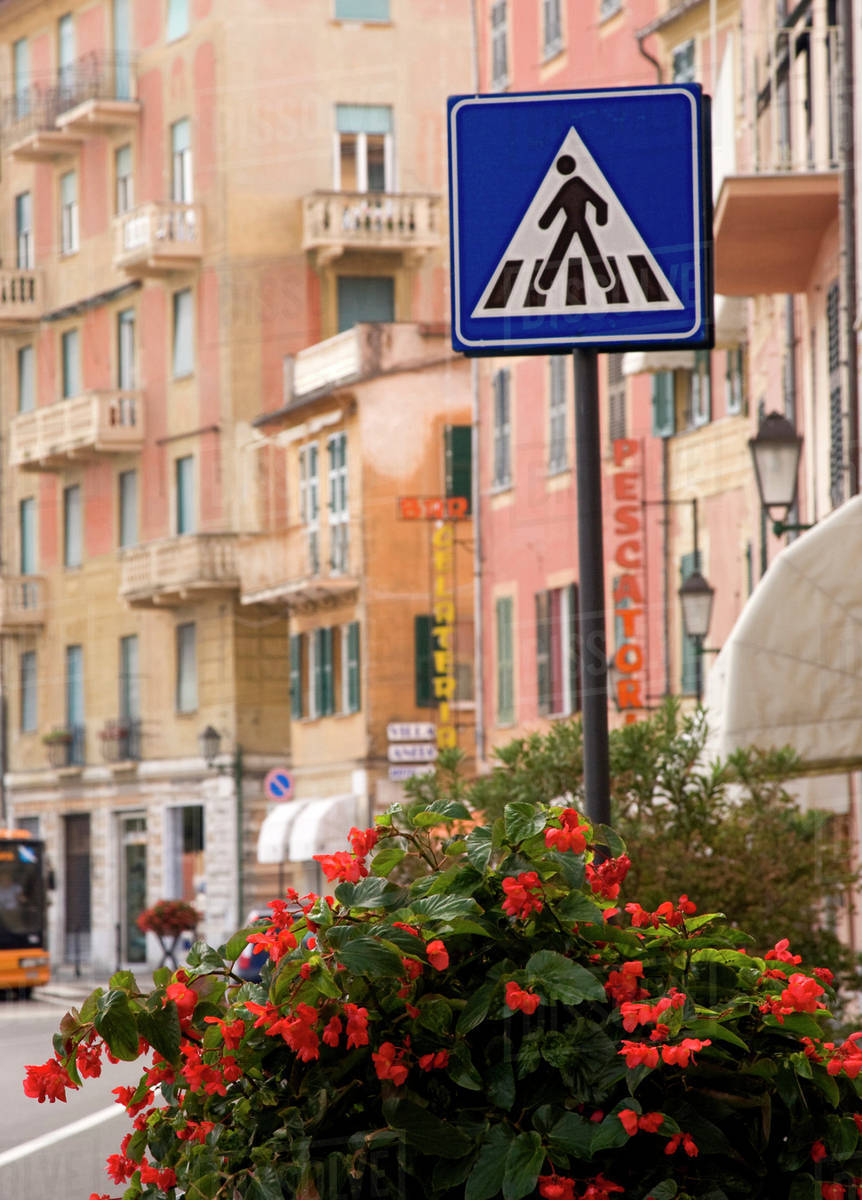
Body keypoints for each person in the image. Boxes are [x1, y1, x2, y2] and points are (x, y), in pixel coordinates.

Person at [536, 153, 610, 292]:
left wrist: (545, 223)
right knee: (587, 250)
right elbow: (601, 204)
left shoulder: (572, 186)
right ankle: (604, 281)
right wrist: (600, 220)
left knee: (562, 251)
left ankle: (545, 282)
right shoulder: (576, 186)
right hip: (578, 224)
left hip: (573, 224)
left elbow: (601, 204)